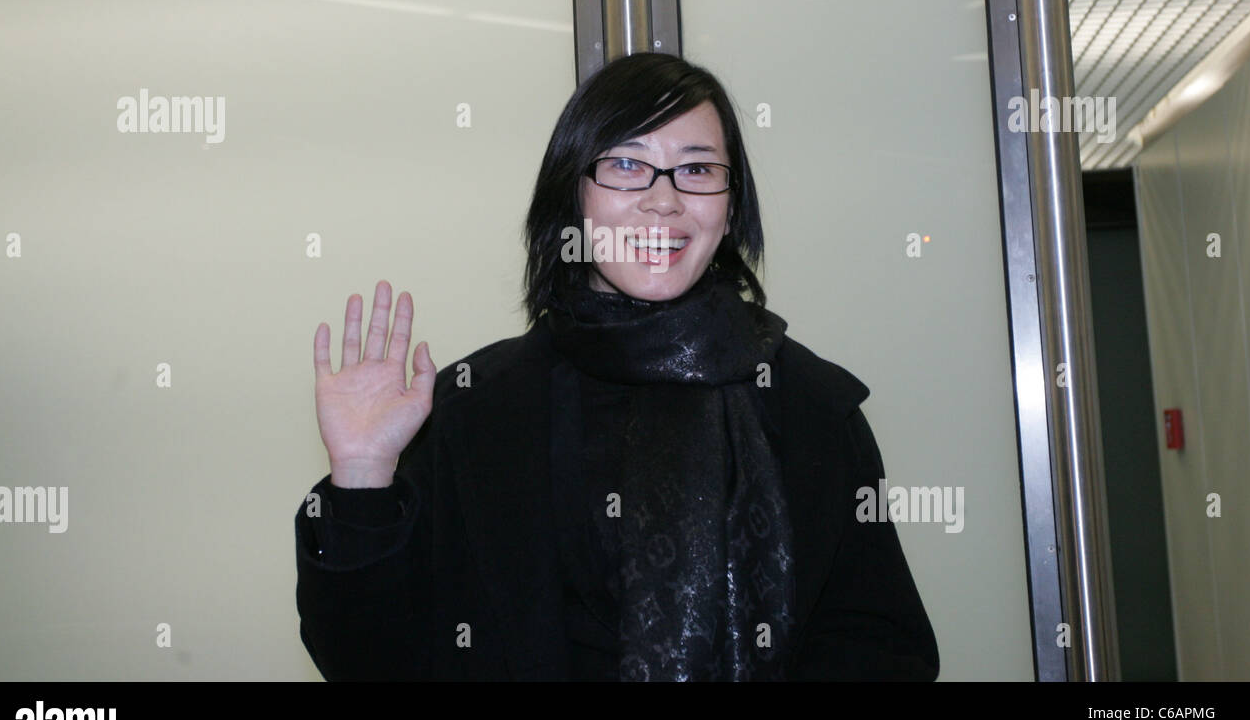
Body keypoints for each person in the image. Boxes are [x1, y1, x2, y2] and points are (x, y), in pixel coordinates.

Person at [294, 52, 940, 681]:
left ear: (731, 205)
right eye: (628, 165)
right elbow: (371, 661)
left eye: (696, 170)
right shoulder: (470, 410)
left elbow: (883, 649)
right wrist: (360, 480)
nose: (664, 201)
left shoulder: (812, 407)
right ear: (573, 194)